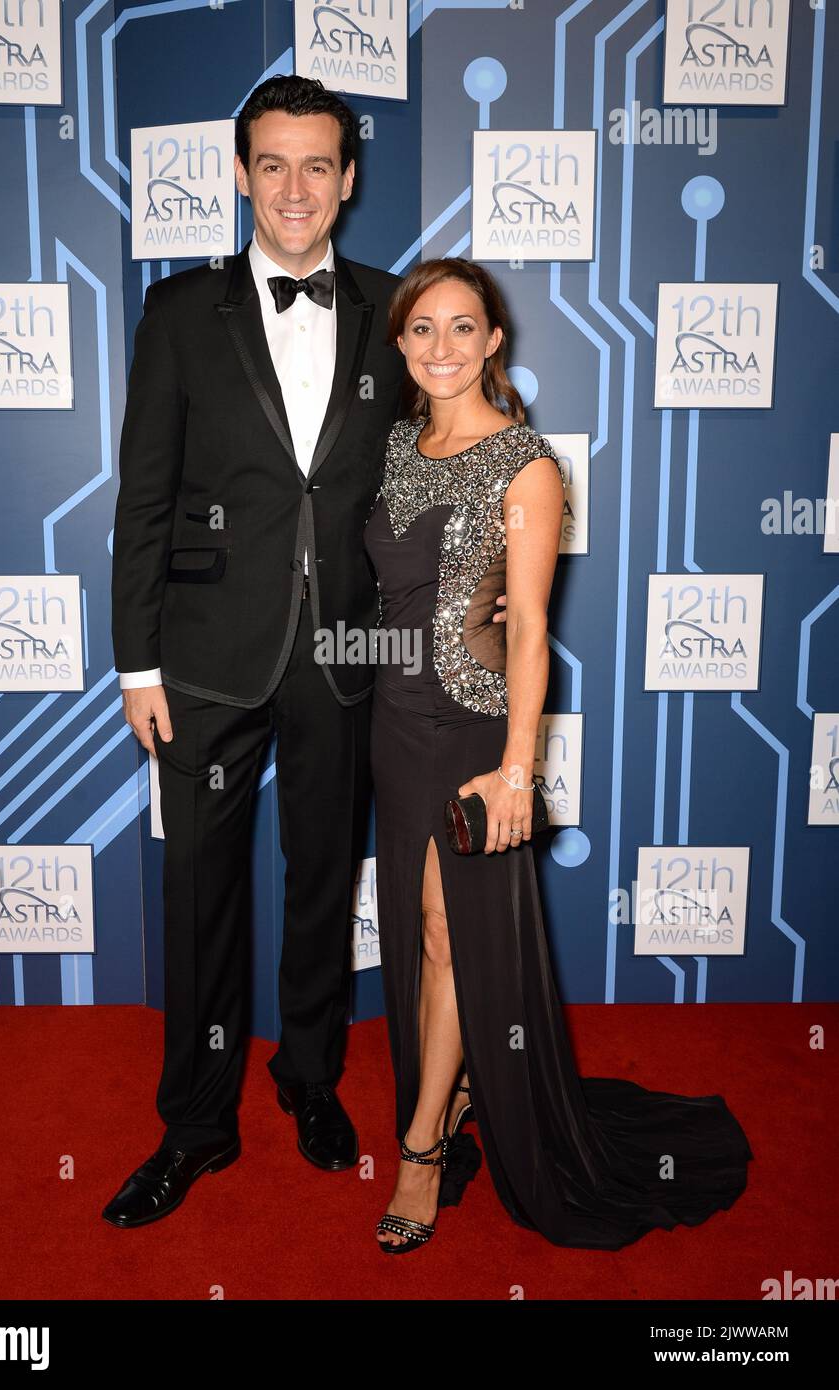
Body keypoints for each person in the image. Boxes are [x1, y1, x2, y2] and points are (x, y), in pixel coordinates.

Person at [363, 258, 754, 1252]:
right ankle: (445, 1103)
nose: (440, 346)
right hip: (390, 722)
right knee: (415, 926)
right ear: (401, 344)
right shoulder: (394, 446)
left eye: (462, 326)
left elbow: (531, 628)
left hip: (469, 725)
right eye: (421, 329)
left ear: (493, 340)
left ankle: (420, 1145)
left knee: (454, 938)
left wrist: (516, 770)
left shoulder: (526, 461)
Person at [103, 76, 411, 1228]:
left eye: (317, 165)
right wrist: (136, 663)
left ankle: (310, 1080)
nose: (294, 187)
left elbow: (418, 493)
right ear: (239, 174)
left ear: (347, 175)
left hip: (341, 653)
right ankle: (194, 1123)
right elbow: (144, 500)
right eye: (271, 164)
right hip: (202, 661)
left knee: (325, 883)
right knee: (199, 896)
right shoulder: (182, 314)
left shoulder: (393, 310)